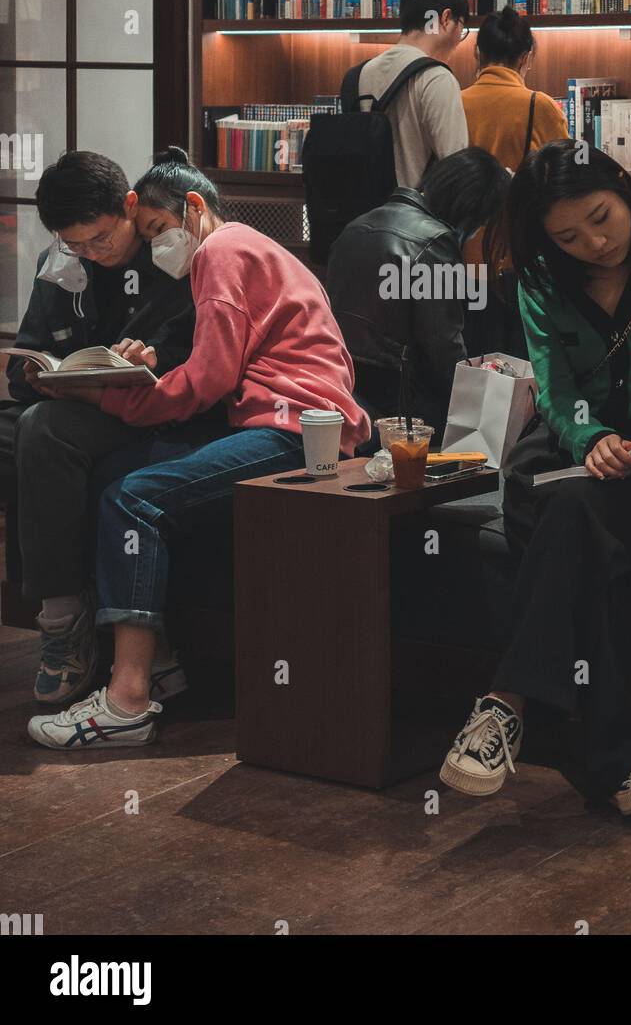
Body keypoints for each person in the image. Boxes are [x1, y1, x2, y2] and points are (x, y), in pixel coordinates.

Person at [438, 141, 631, 815]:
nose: (595, 243)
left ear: (623, 189)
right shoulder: (543, 279)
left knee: (576, 524)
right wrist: (592, 437)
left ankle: (508, 705)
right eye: (569, 236)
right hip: (557, 460)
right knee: (575, 501)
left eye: (602, 218)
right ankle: (615, 753)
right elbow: (550, 392)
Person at [26, 148, 370, 751]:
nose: (158, 245)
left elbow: (206, 381)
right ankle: (161, 664)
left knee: (132, 499)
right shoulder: (242, 246)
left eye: (158, 231)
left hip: (293, 429)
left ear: (191, 209)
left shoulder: (220, 251)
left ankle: (127, 699)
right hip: (290, 421)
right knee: (116, 476)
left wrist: (109, 400)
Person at [0, 151, 197, 705]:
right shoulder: (62, 260)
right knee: (30, 428)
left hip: (134, 414)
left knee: (45, 432)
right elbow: (27, 360)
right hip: (65, 406)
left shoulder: (171, 266)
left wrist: (140, 361)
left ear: (130, 207)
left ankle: (61, 621)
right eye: (76, 245)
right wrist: (40, 374)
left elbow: (189, 372)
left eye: (101, 239)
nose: (89, 253)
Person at [326, 147, 510, 443]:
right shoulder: (435, 242)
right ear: (472, 209)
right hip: (399, 397)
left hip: (343, 383)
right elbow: (443, 346)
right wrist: (482, 406)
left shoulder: (357, 225)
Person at [460, 7, 568, 353]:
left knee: (472, 361)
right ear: (526, 56)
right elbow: (564, 182)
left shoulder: (454, 102)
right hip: (519, 259)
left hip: (459, 260)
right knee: (521, 365)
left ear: (478, 53)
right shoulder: (541, 106)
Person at [354, 0, 470, 187]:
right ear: (445, 19)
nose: (459, 40)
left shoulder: (361, 73)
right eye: (462, 27)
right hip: (414, 217)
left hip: (364, 215)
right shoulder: (437, 78)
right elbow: (457, 171)